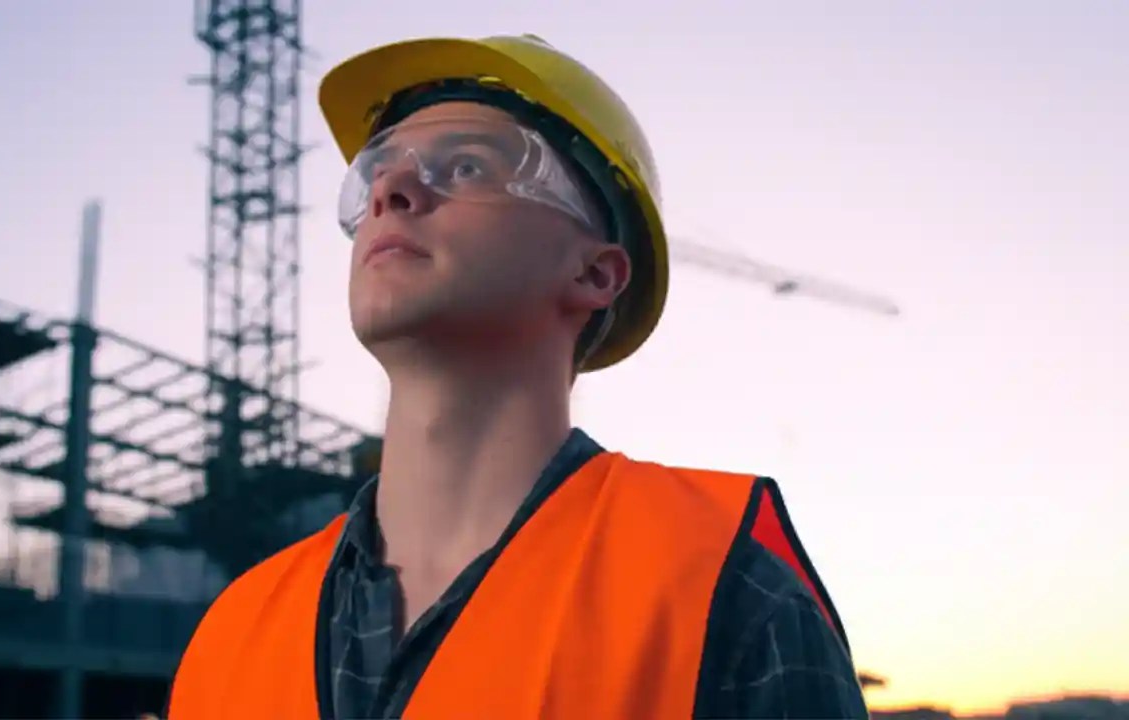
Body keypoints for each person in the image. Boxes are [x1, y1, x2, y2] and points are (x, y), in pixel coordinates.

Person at [168, 33, 869, 719]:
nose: (392, 189)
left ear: (595, 273)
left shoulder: (724, 589)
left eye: (468, 166)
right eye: (378, 172)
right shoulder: (233, 631)